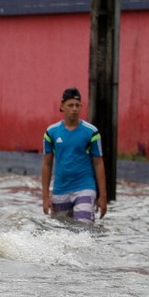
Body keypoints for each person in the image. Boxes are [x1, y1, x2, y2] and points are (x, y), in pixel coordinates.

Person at [41, 87, 107, 222]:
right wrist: (45, 196)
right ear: (62, 107)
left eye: (78, 105)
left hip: (85, 187)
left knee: (84, 231)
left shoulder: (91, 132)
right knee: (60, 233)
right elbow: (47, 164)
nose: (74, 109)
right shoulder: (51, 132)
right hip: (60, 190)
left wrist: (103, 195)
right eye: (70, 105)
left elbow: (98, 163)